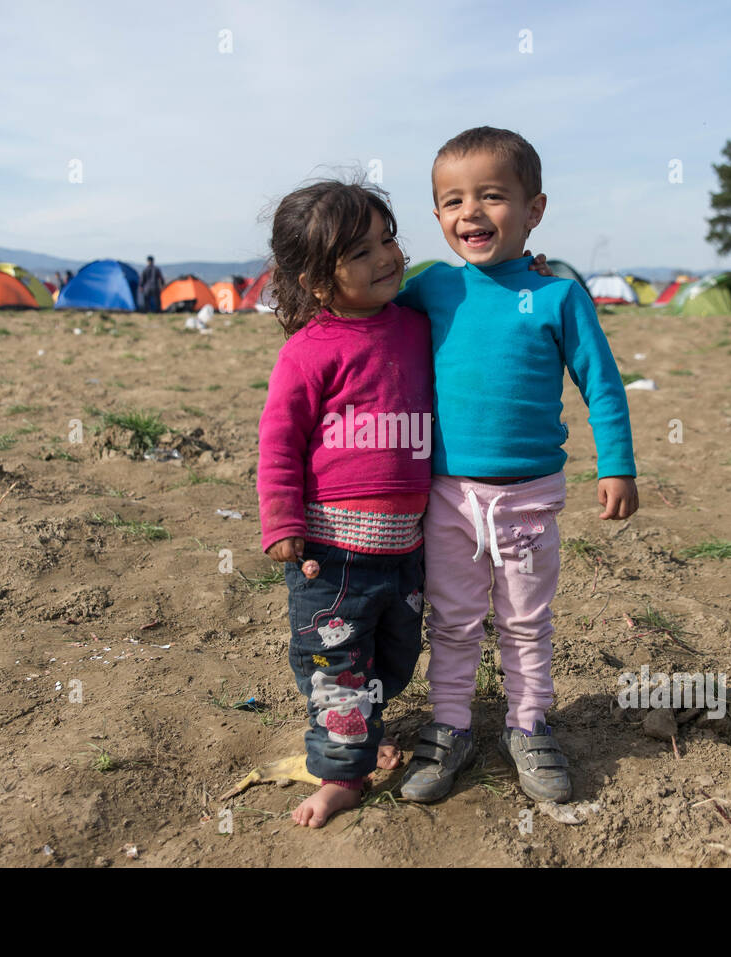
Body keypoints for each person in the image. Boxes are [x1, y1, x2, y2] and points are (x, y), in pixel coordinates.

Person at [394, 127, 638, 804]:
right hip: (445, 494)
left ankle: (528, 725)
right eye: (451, 201)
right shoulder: (431, 288)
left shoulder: (559, 293)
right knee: (452, 617)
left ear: (535, 209)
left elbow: (603, 383)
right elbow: (366, 310)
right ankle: (449, 726)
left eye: (492, 196)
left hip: (529, 497)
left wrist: (616, 464)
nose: (469, 212)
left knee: (527, 618)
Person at [256, 180, 432, 827]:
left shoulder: (414, 325)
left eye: (389, 239)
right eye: (362, 252)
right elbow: (279, 440)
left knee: (392, 658)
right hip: (329, 558)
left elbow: (466, 289)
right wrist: (281, 520)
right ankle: (341, 776)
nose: (387, 256)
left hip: (405, 549)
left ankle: (366, 728)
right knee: (336, 669)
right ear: (315, 278)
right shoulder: (308, 350)